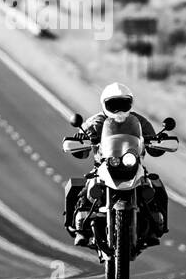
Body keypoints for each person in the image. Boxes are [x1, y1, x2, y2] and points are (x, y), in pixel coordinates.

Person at [67, 82, 169, 249]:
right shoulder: (95, 122)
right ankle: (79, 228)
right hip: (103, 165)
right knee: (84, 191)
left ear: (130, 104)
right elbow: (79, 144)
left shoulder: (140, 122)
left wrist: (157, 142)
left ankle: (155, 228)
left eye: (123, 104)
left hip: (133, 164)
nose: (118, 110)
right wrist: (79, 143)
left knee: (154, 188)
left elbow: (153, 144)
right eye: (113, 105)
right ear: (105, 104)